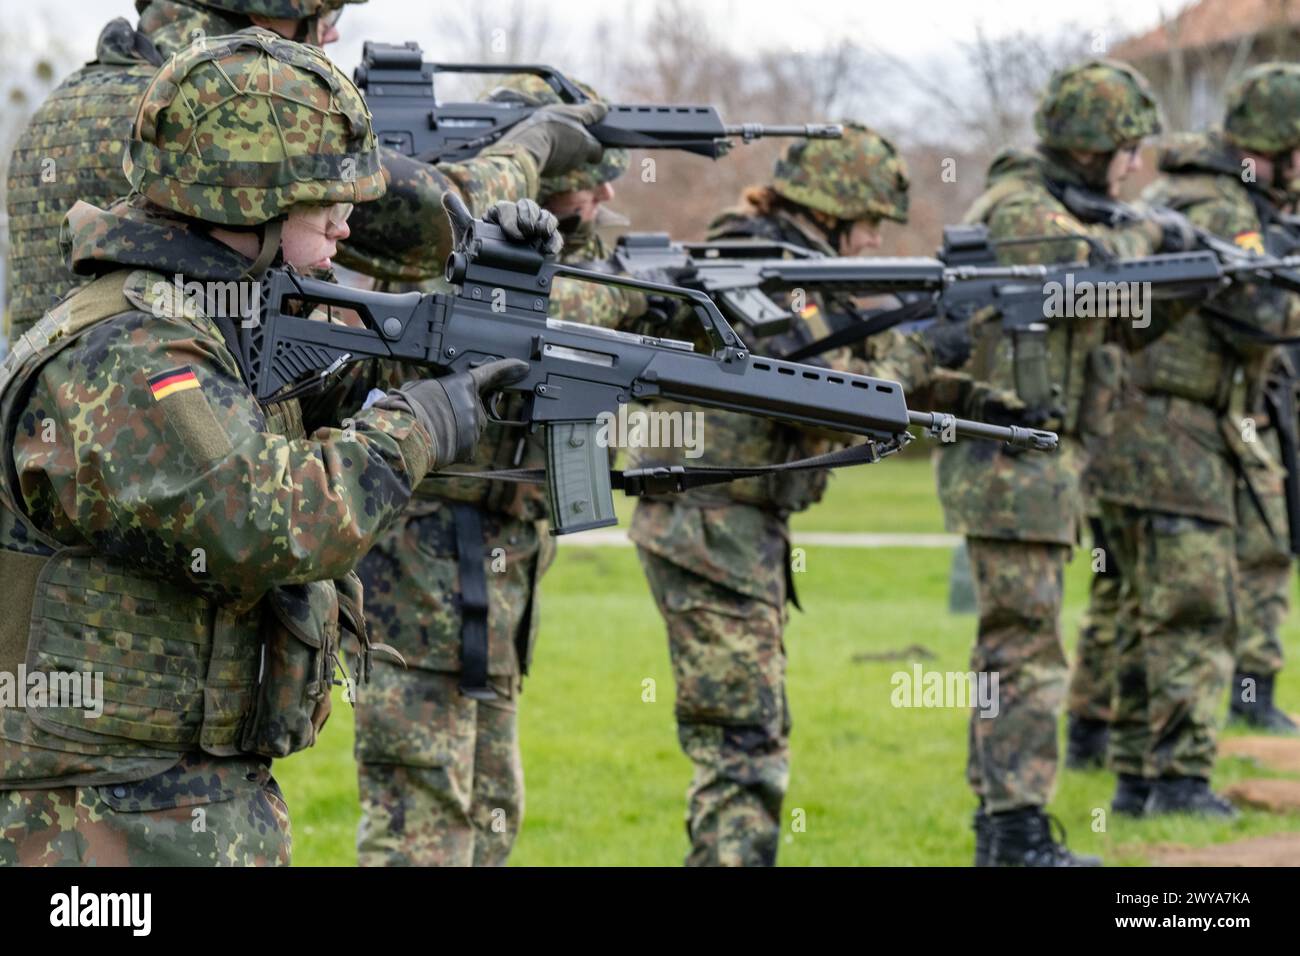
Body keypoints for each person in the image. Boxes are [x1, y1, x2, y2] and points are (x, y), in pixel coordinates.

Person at [0, 30, 537, 866]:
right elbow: (263, 517)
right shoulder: (129, 351)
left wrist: (463, 335)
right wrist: (422, 422)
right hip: (99, 818)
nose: (347, 224)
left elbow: (304, 397)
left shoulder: (204, 325)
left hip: (168, 799)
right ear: (245, 201)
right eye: (325, 202)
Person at [629, 123, 1011, 866]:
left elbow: (845, 360)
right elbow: (833, 393)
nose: (871, 243)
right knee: (743, 744)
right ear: (831, 209)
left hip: (726, 525)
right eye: (868, 225)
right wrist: (928, 339)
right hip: (711, 528)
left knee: (748, 735)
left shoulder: (781, 262)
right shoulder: (762, 268)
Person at [351, 75, 644, 867]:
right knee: (420, 814)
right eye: (590, 178)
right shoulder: (448, 259)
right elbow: (572, 316)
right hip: (421, 578)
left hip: (499, 580)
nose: (609, 192)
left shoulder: (575, 262)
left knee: (490, 811)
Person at [5, 0, 606, 340]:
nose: (333, 31)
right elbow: (439, 224)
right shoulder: (234, 123)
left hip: (71, 481)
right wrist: (536, 147)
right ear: (263, 18)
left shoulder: (63, 107)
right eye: (321, 13)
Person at [937, 60, 1166, 865]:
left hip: (1034, 465)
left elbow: (1121, 314)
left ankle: (1007, 829)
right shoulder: (1019, 204)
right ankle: (1016, 839)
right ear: (1091, 145)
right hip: (1009, 462)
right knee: (1024, 651)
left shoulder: (1062, 204)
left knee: (1020, 646)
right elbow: (1092, 276)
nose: (1134, 166)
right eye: (1126, 148)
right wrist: (1150, 232)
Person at [1095, 62, 1300, 818]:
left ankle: (1135, 780)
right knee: (1193, 608)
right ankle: (1177, 784)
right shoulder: (1220, 206)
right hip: (1172, 433)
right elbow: (1260, 319)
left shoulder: (1180, 193)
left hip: (1134, 431)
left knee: (1143, 608)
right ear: (1277, 145)